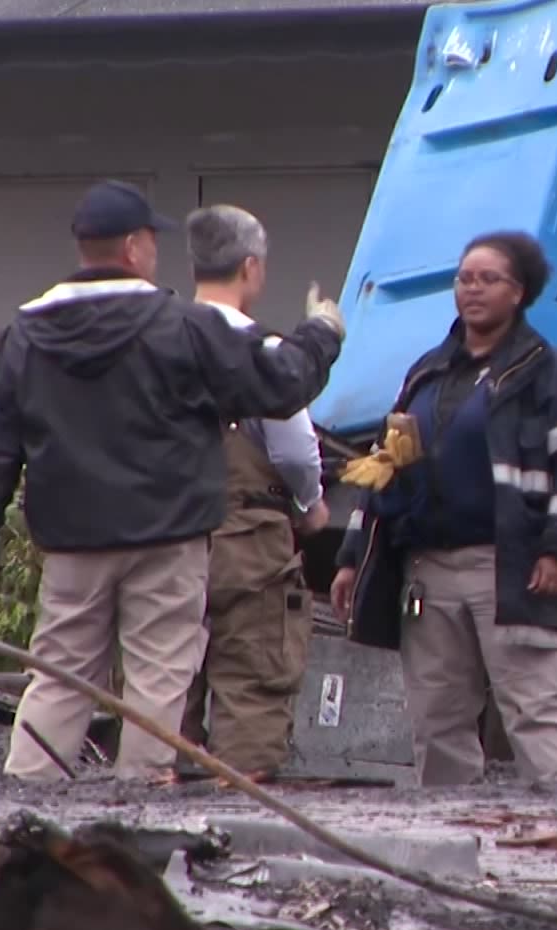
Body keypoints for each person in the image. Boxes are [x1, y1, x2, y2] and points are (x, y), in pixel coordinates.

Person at [0, 179, 345, 783]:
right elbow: (281, 384)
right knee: (160, 670)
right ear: (136, 247)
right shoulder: (182, 326)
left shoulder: (26, 334)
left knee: (61, 670)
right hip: (169, 533)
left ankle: (28, 792)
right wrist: (322, 334)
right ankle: (140, 793)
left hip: (72, 536)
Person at [330, 230, 557, 787]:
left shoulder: (548, 373)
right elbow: (383, 465)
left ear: (519, 292)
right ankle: (450, 833)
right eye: (464, 278)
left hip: (511, 568)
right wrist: (353, 556)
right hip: (428, 572)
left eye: (488, 279)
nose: (472, 289)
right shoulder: (427, 372)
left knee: (534, 708)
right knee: (437, 717)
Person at [177, 205, 330, 781]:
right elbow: (293, 450)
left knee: (166, 683)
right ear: (251, 268)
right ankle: (236, 826)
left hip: (171, 540)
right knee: (253, 679)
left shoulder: (165, 341)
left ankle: (159, 826)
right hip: (248, 543)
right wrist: (310, 503)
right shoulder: (261, 348)